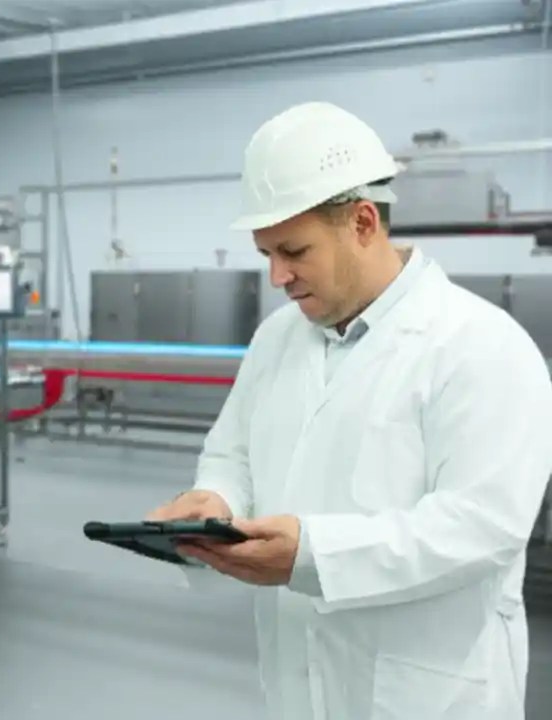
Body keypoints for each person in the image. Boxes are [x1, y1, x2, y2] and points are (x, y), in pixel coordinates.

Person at [146, 101, 552, 719]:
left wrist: (314, 554)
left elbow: (483, 527)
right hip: (296, 683)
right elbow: (232, 454)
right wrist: (216, 502)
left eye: (294, 250)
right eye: (267, 255)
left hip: (427, 692)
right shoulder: (275, 339)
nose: (278, 275)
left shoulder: (480, 345)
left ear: (363, 222)